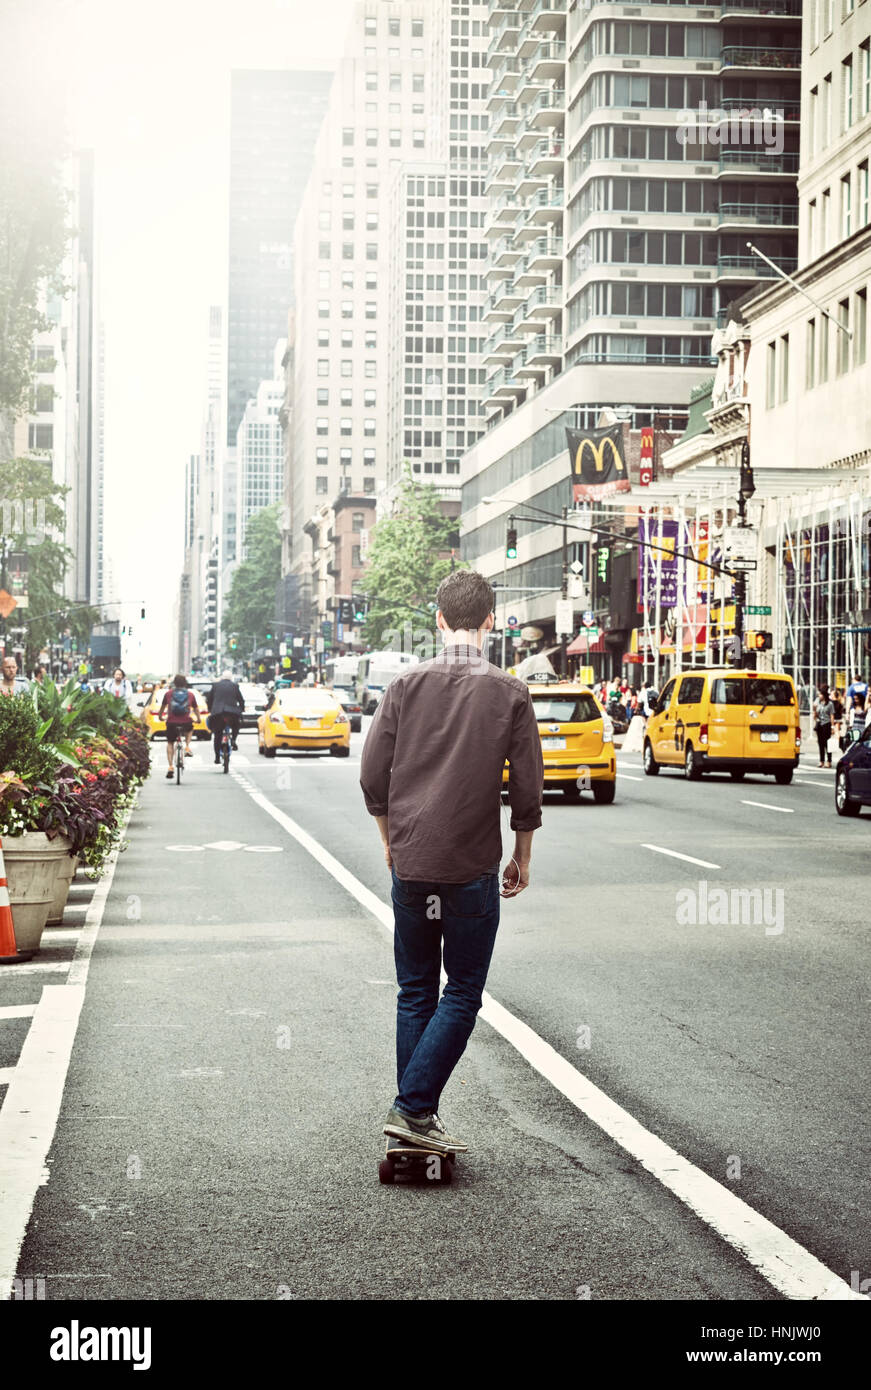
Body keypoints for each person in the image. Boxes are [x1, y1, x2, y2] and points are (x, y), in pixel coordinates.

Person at [360, 570, 543, 1157]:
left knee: (415, 990)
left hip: (411, 863)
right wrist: (521, 854)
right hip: (470, 867)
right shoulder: (510, 692)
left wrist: (389, 838)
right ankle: (413, 1110)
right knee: (461, 990)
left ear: (438, 620)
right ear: (490, 620)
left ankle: (414, 1124)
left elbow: (372, 775)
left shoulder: (404, 685)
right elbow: (528, 787)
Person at [159, 674, 197, 778]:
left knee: (170, 742)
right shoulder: (190, 694)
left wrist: (160, 717)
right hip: (186, 722)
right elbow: (196, 709)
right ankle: (187, 747)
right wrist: (197, 719)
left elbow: (162, 708)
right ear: (185, 683)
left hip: (171, 722)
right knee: (190, 729)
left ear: (174, 683)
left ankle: (170, 766)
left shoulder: (168, 694)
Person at [205, 670, 245, 764]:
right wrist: (241, 709)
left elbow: (209, 699)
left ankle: (217, 757)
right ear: (231, 678)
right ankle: (234, 740)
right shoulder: (235, 686)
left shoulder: (215, 685)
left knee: (217, 735)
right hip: (232, 713)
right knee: (236, 725)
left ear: (222, 677)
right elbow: (241, 700)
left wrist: (210, 710)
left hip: (218, 713)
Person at [812, 684, 834, 768]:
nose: (819, 696)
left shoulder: (830, 704)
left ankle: (829, 761)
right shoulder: (819, 703)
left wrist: (832, 727)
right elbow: (816, 714)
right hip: (819, 724)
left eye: (821, 694)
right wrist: (815, 713)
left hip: (826, 724)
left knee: (827, 743)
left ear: (824, 695)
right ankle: (821, 761)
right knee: (820, 743)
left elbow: (832, 716)